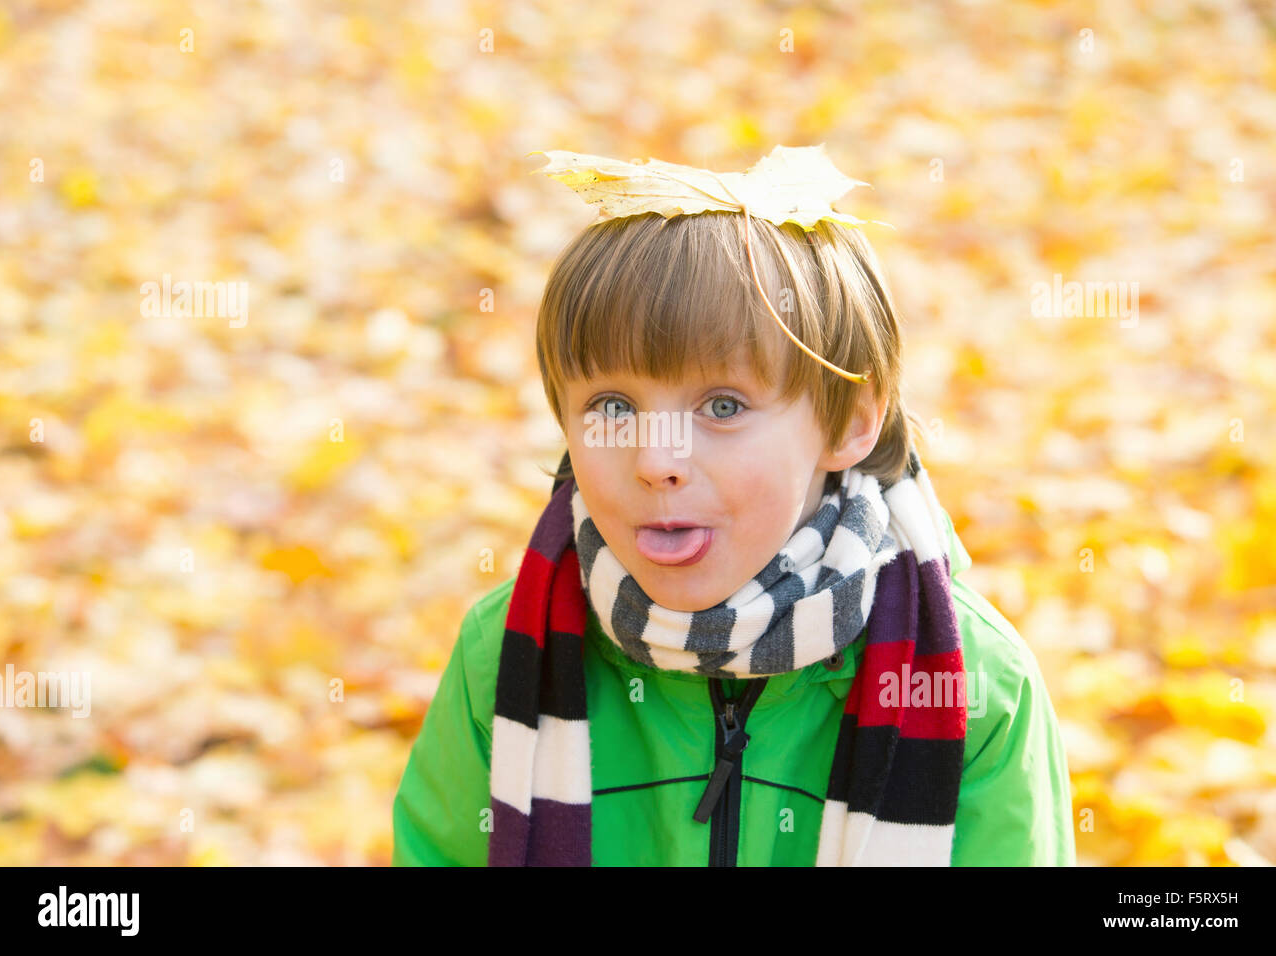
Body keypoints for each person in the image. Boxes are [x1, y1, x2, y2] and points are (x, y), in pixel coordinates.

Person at [392, 158, 1075, 866]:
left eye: (723, 406)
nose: (658, 461)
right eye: (613, 407)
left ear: (849, 423)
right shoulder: (506, 653)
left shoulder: (971, 684)